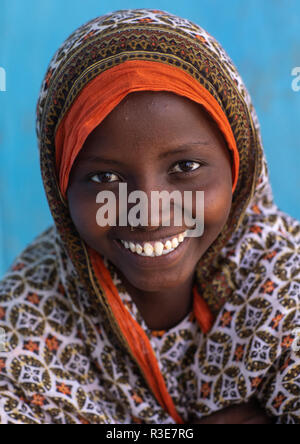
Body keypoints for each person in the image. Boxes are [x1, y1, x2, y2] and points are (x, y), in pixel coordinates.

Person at [0, 8, 299, 424]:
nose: (149, 211)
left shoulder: (286, 287)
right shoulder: (22, 327)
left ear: (239, 164)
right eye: (105, 177)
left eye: (185, 167)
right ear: (60, 184)